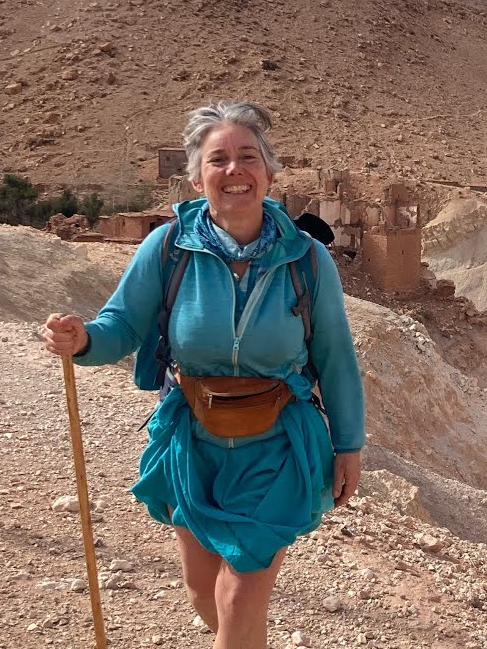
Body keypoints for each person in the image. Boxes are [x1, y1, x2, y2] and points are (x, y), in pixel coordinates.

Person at [41, 99, 365, 649]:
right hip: (193, 437)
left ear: (268, 171)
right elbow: (122, 324)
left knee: (239, 597)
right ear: (196, 176)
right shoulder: (168, 248)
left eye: (248, 157)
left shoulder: (307, 258)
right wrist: (85, 339)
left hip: (278, 444)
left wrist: (349, 443)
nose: (234, 171)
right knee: (203, 594)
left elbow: (335, 354)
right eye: (218, 160)